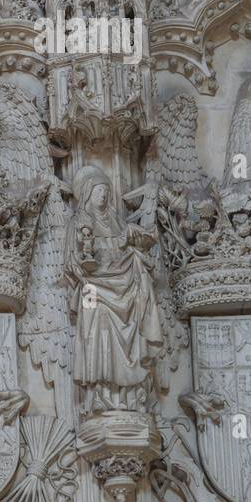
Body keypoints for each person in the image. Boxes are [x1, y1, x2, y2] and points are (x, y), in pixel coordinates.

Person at [64, 164, 164, 414]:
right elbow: (71, 261)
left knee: (134, 319)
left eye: (106, 190)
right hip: (92, 288)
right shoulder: (79, 222)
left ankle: (131, 397)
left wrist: (132, 240)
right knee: (96, 328)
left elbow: (125, 246)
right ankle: (100, 395)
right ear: (87, 193)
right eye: (98, 190)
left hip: (123, 285)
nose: (104, 195)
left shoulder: (117, 221)